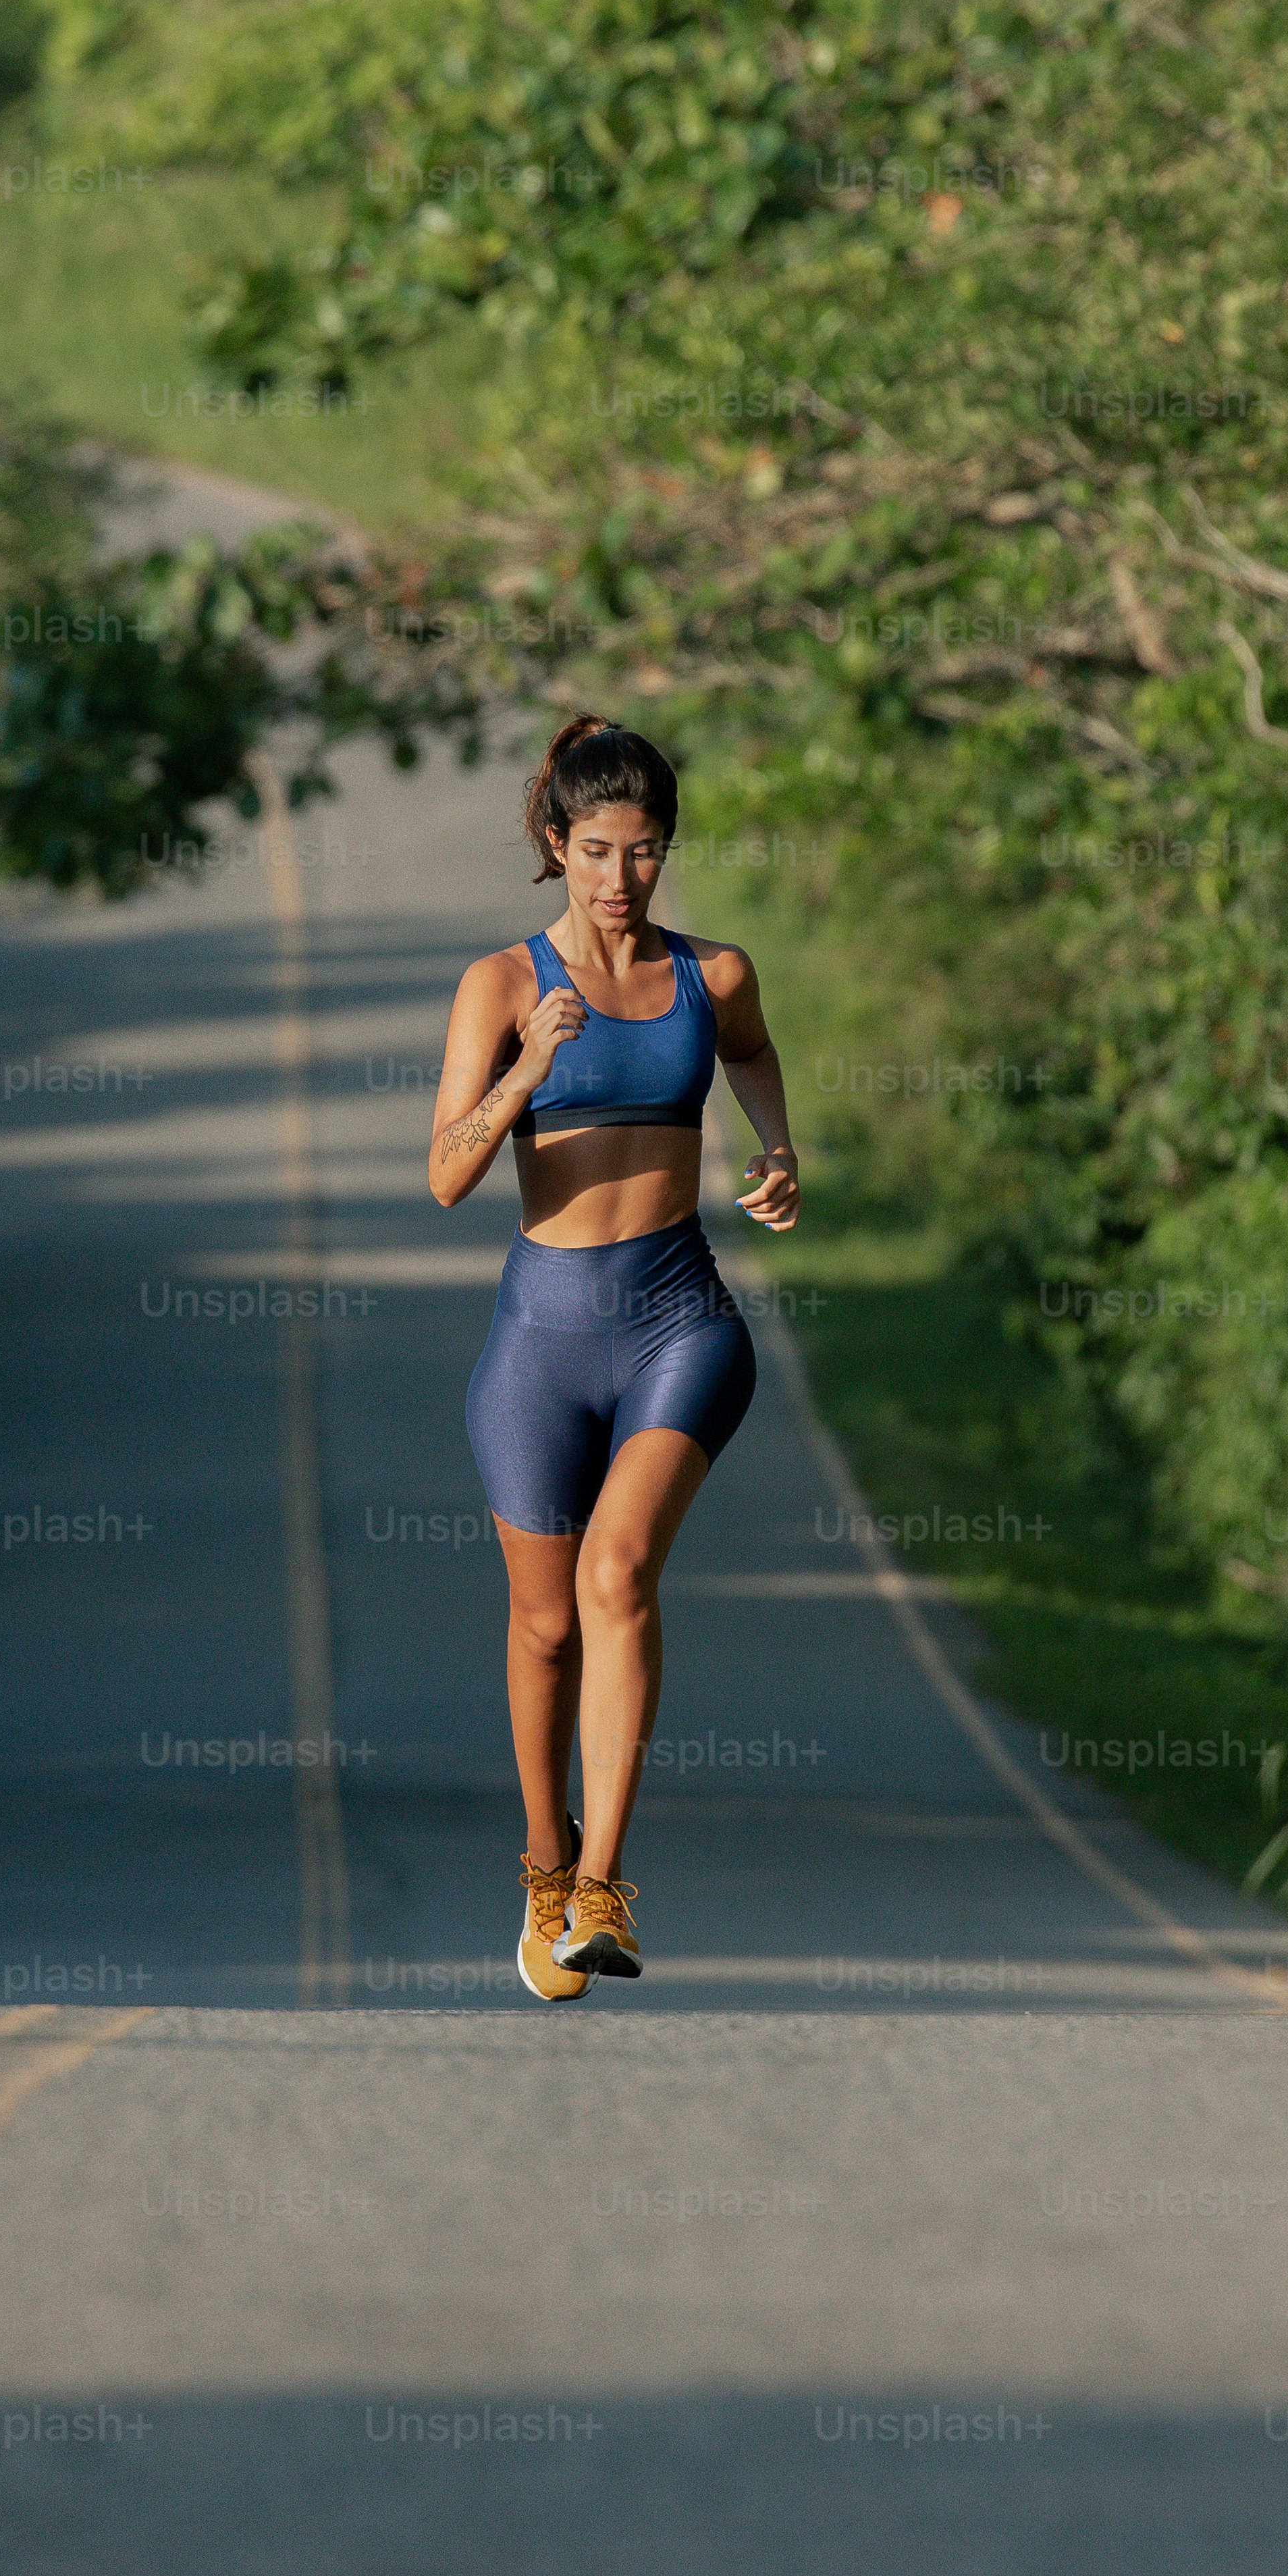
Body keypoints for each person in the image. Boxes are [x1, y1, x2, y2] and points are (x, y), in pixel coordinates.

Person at [429, 717, 800, 2000]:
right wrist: (528, 1063)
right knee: (542, 1627)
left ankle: (604, 1891)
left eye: (643, 854)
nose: (619, 879)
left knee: (619, 1569)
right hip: (540, 1335)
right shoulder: (501, 984)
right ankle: (545, 1864)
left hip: (678, 1322)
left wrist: (777, 1145)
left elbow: (748, 1055)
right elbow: (442, 1175)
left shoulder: (716, 971)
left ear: (665, 852)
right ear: (555, 844)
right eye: (595, 852)